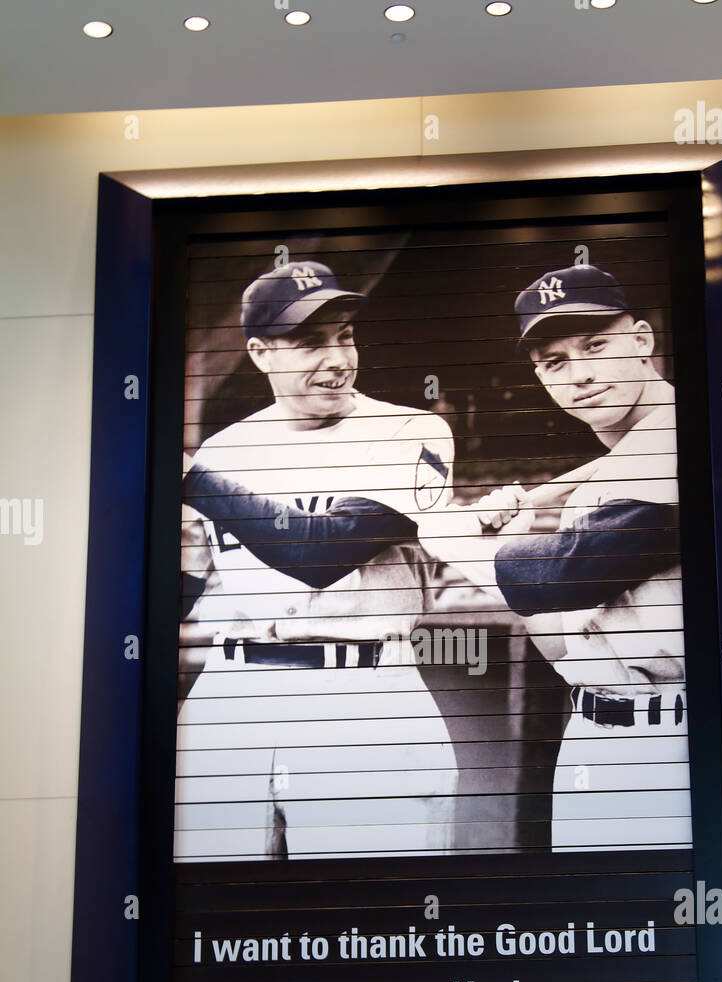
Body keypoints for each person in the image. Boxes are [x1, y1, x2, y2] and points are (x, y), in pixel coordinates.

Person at [176, 259, 460, 861]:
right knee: (211, 912)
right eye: (309, 342)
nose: (337, 358)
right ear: (260, 353)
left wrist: (192, 482)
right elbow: (180, 584)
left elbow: (321, 553)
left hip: (361, 695)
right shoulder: (224, 449)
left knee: (367, 919)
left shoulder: (411, 432)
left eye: (345, 336)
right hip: (231, 696)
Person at [417, 264, 692, 852]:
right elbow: (563, 645)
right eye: (555, 362)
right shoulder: (611, 475)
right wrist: (517, 545)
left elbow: (569, 573)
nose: (582, 374)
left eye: (597, 344)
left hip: (683, 747)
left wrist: (459, 541)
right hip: (598, 735)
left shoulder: (688, 438)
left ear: (642, 340)